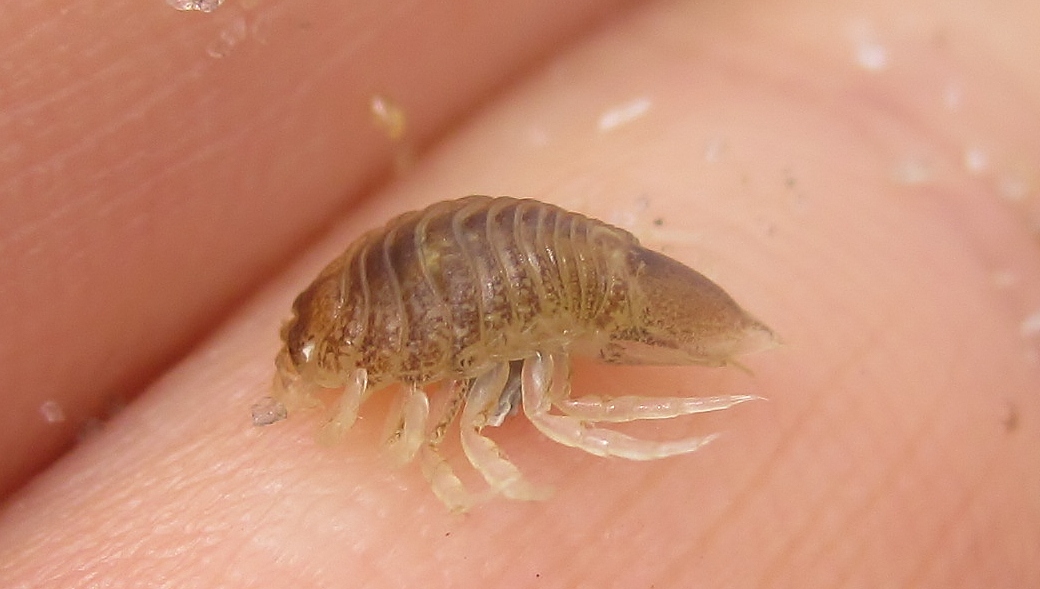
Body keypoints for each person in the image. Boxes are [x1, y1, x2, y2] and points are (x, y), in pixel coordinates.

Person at [1, 1, 1036, 586]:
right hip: (544, 261)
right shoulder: (368, 311)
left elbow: (443, 428)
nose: (299, 377)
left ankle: (704, 346)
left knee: (538, 389)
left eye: (303, 366)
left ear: (345, 354)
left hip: (551, 269)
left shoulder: (377, 334)